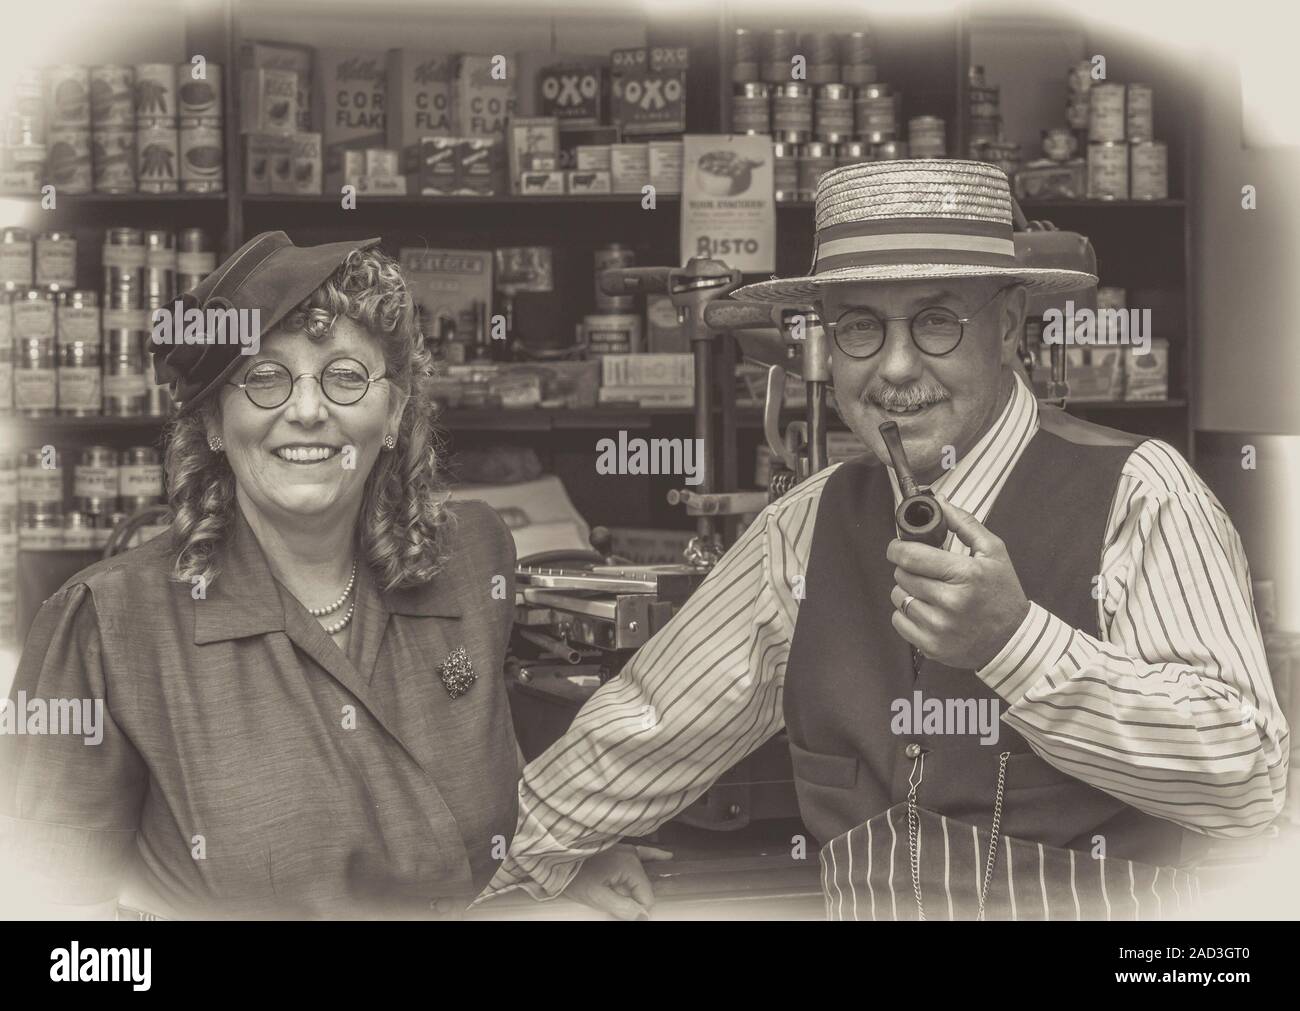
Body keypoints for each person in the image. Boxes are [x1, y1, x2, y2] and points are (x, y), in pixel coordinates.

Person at [486, 160, 1287, 920]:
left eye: (936, 321)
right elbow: (645, 729)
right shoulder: (808, 524)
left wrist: (1016, 643)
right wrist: (513, 870)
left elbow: (1247, 781)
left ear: (1007, 326)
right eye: (860, 327)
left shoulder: (1141, 491)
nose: (896, 368)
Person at [0, 232, 520, 919]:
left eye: (344, 375)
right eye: (267, 376)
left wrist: (560, 873)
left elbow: (504, 829)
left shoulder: (471, 565)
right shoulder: (107, 626)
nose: (306, 410)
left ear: (392, 413)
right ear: (216, 419)